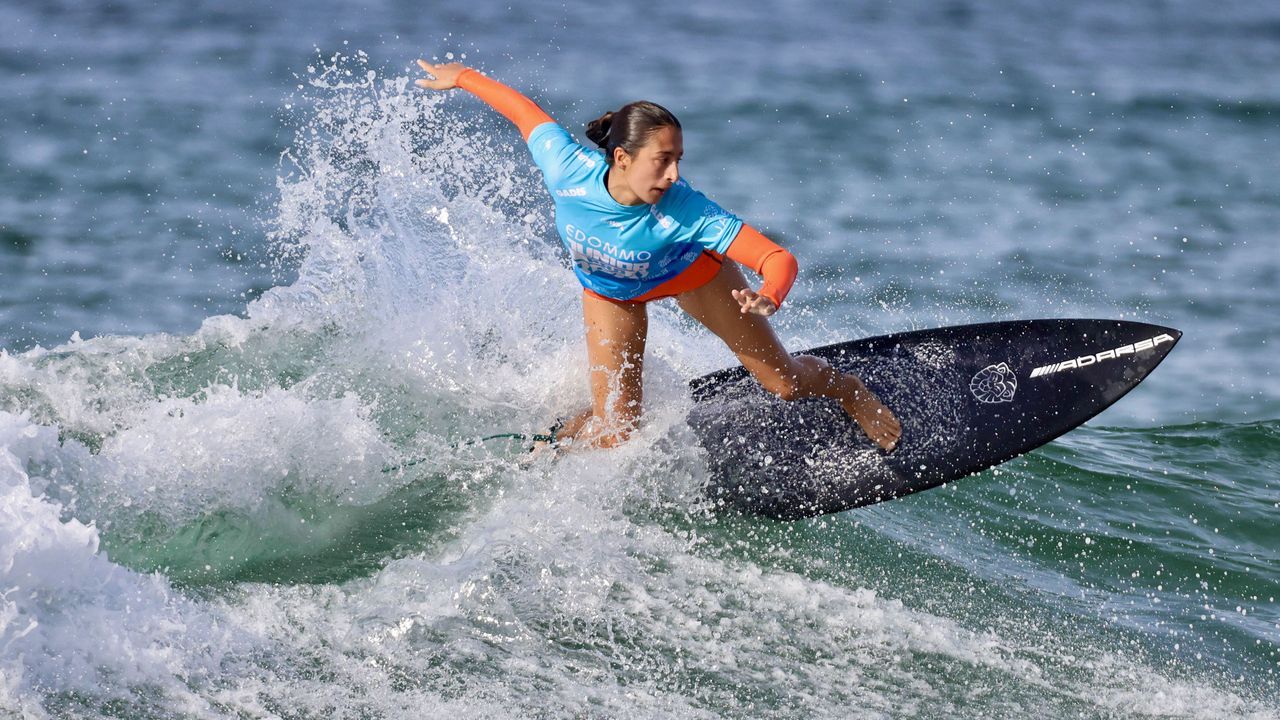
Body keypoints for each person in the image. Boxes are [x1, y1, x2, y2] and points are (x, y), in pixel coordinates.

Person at [415, 60, 901, 452]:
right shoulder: (566, 167)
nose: (672, 174)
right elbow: (524, 112)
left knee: (785, 386)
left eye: (678, 160)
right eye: (661, 160)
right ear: (622, 158)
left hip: (694, 277)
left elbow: (777, 257)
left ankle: (850, 391)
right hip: (612, 292)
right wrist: (461, 77)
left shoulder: (686, 210)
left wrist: (769, 293)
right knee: (616, 433)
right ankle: (562, 438)